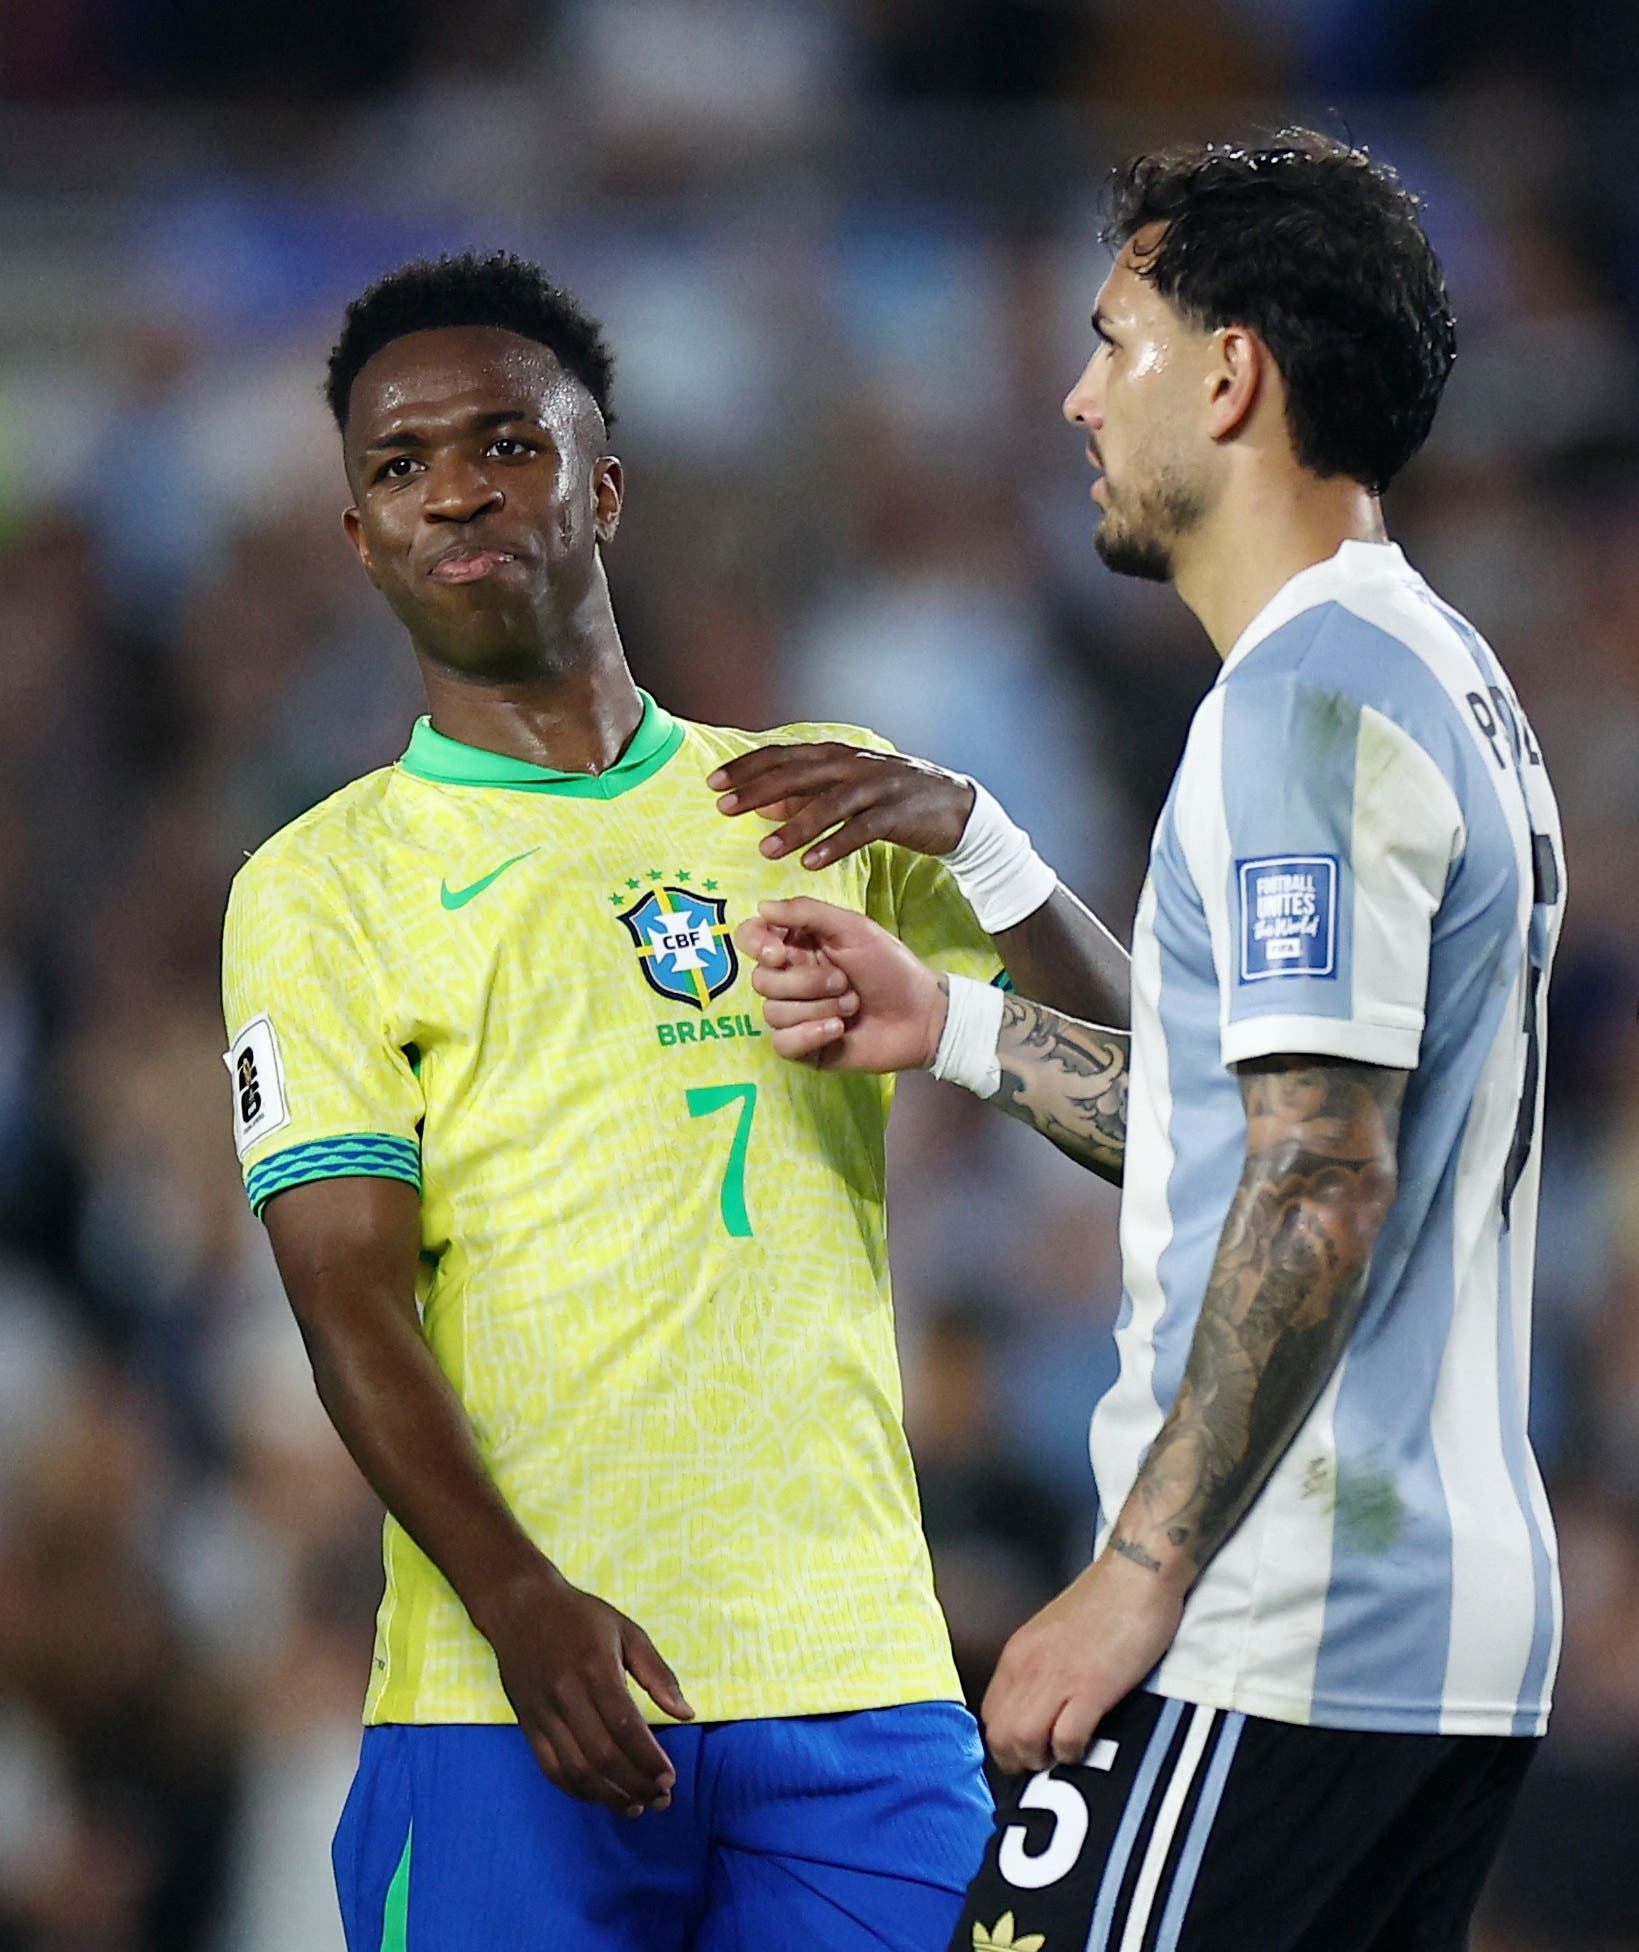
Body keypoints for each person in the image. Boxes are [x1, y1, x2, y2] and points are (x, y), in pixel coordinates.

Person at [218, 250, 1129, 1951]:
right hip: (520, 1692)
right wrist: (517, 1602)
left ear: (605, 487)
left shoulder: (808, 802)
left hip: (857, 1684)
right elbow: (346, 1299)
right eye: (401, 466)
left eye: (508, 442)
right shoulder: (320, 884)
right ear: (361, 536)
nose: (456, 490)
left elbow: (1171, 1126)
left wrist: (990, 849)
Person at [736, 131, 1565, 1952]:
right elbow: (1255, 1122)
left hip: (1281, 1618)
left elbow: (1321, 1178)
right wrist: (954, 1016)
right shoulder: (1435, 673)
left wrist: (1136, 1573)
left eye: (1116, 342)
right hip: (1421, 1620)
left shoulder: (1304, 707)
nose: (1078, 395)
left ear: (1231, 372)